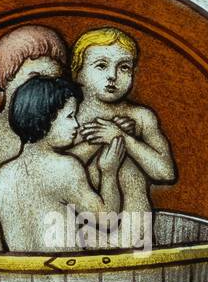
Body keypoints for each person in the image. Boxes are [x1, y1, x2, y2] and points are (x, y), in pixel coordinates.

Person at [0, 25, 69, 249]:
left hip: (54, 245)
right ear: (6, 77)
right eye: (35, 78)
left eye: (52, 81)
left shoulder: (60, 130)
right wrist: (25, 197)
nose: (42, 89)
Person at [0, 75, 126, 252]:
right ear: (45, 117)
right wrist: (109, 171)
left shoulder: (2, 176)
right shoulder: (65, 167)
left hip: (23, 269)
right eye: (70, 116)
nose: (76, 124)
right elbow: (108, 220)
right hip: (64, 269)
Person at [68, 27, 175, 249]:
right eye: (101, 65)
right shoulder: (68, 119)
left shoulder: (141, 117)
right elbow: (54, 173)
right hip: (81, 242)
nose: (112, 76)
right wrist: (97, 142)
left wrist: (123, 138)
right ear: (78, 72)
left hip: (135, 240)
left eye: (124, 67)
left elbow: (165, 173)